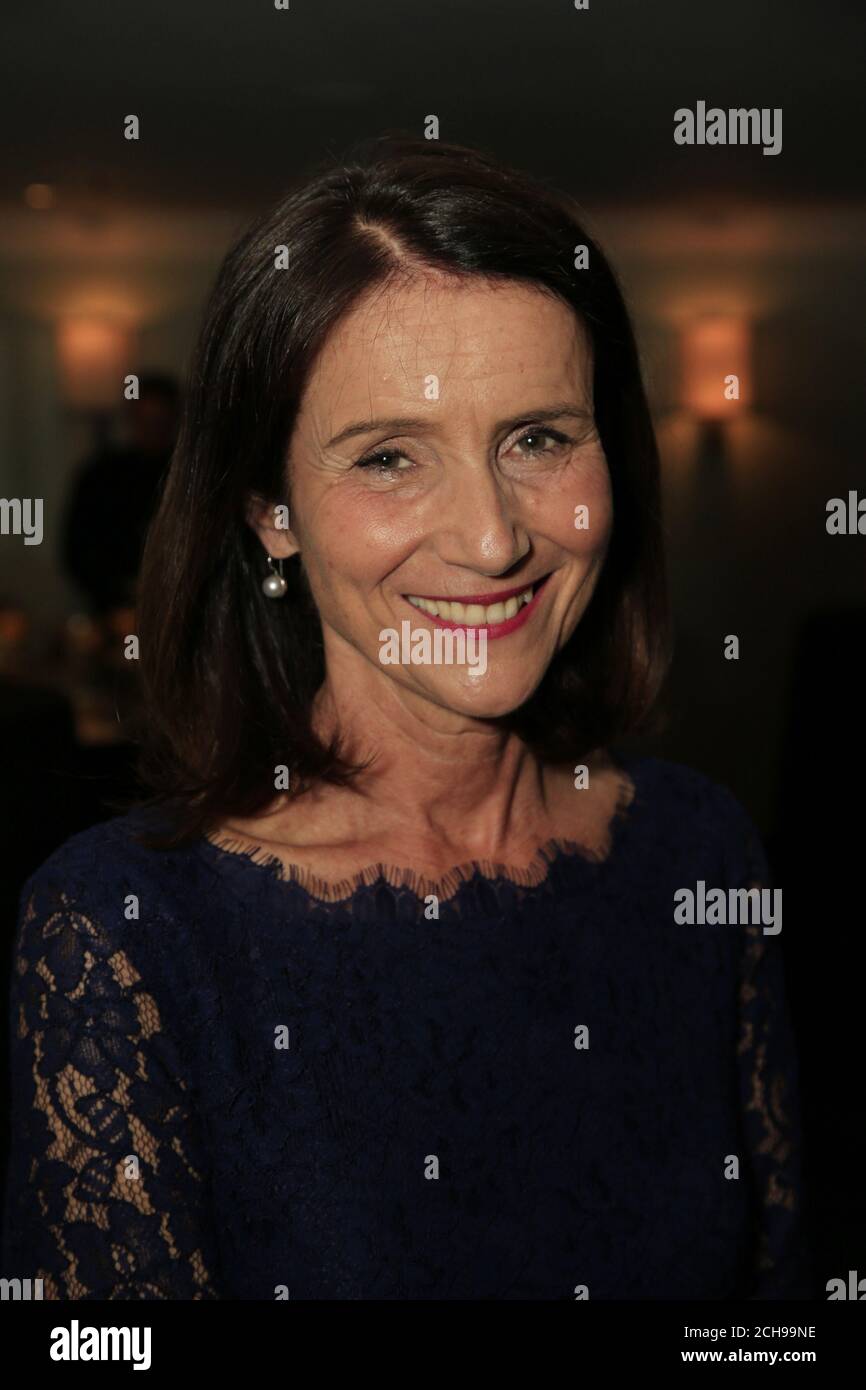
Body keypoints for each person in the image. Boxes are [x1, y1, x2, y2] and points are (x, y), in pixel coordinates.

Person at [1, 136, 812, 1300]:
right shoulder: (123, 934)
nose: (492, 539)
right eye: (388, 456)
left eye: (537, 438)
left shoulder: (700, 850)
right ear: (269, 513)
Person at [61, 373, 180, 615]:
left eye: (160, 421)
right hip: (112, 610)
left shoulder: (189, 473)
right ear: (132, 419)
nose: (153, 431)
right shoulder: (100, 475)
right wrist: (120, 588)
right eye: (146, 421)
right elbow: (76, 550)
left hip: (180, 609)